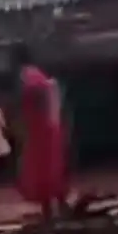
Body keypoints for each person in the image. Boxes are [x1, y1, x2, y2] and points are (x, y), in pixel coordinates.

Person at [11, 45, 70, 220]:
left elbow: (35, 93)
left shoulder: (27, 75)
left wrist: (31, 112)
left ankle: (49, 212)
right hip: (48, 125)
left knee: (41, 169)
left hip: (40, 127)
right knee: (52, 166)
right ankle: (59, 206)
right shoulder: (37, 74)